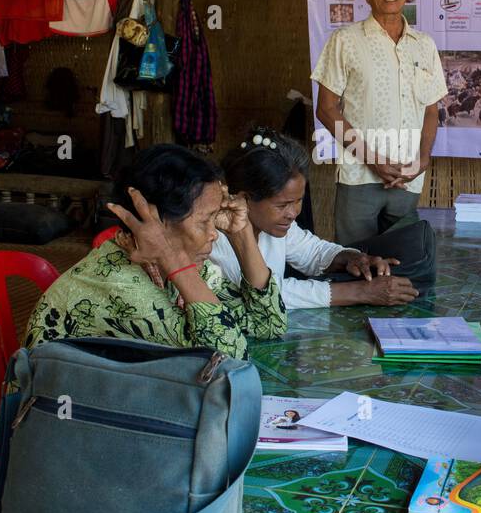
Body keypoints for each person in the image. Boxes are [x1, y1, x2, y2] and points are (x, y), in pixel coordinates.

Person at [25, 144, 286, 358]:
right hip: (70, 416)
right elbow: (227, 357)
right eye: (204, 220)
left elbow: (268, 325)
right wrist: (172, 258)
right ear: (156, 222)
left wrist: (241, 235)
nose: (214, 234)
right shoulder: (118, 285)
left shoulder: (181, 266)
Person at [312, 0, 448, 245]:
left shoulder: (424, 45)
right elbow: (326, 109)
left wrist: (423, 159)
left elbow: (431, 110)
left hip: (408, 175)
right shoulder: (345, 41)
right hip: (360, 176)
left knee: (401, 261)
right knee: (356, 262)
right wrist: (372, 159)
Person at [211, 128, 420, 307]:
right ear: (244, 198)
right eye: (282, 205)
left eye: (298, 201)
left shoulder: (275, 225)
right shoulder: (214, 238)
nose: (293, 213)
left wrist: (352, 258)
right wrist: (358, 292)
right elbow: (264, 293)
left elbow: (312, 251)